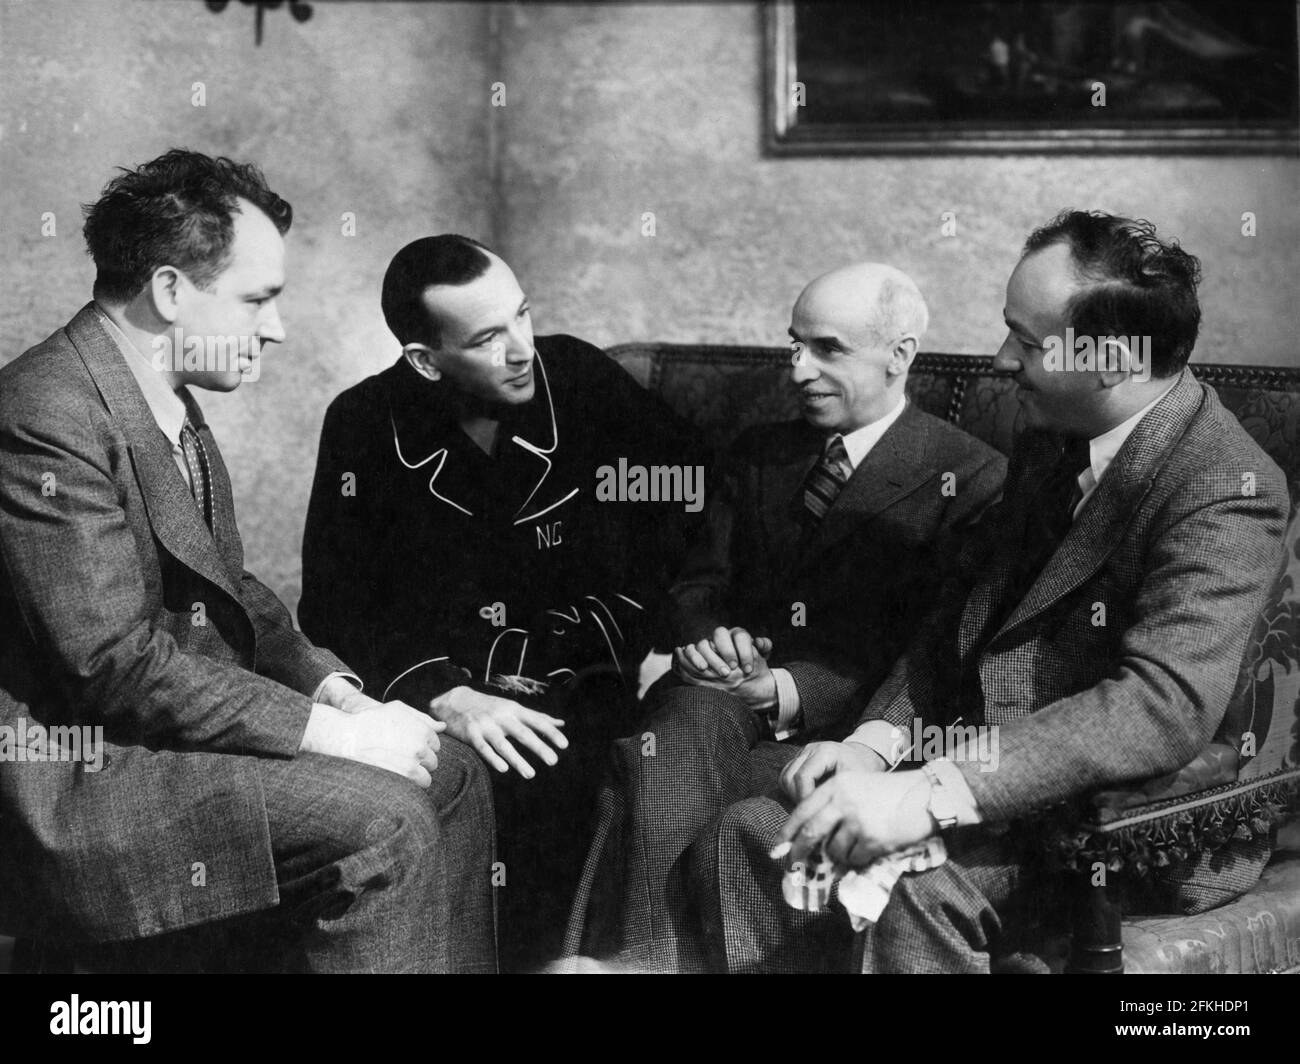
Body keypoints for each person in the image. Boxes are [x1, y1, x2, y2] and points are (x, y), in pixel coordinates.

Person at [700, 210, 1290, 973]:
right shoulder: (1051, 438)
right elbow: (960, 616)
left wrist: (932, 792)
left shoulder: (1224, 487)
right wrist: (872, 745)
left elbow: (1161, 708)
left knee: (916, 886)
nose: (1001, 359)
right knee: (752, 829)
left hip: (1126, 818)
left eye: (1028, 341)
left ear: (1109, 360)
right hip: (994, 774)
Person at [0, 150, 494, 974]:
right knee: (386, 820)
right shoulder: (43, 414)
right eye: (259, 299)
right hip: (80, 778)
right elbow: (112, 666)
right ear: (168, 292)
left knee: (457, 773)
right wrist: (333, 736)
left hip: (158, 740)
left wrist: (341, 693)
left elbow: (232, 593)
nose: (277, 328)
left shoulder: (165, 392)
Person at [569, 262, 1007, 972]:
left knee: (660, 779)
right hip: (718, 701)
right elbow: (695, 586)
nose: (799, 369)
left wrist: (784, 689)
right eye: (794, 346)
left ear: (900, 354)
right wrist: (714, 645)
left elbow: (933, 647)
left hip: (859, 726)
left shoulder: (972, 477)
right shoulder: (758, 454)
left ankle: (629, 963)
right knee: (672, 732)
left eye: (827, 349)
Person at [299, 234, 700, 969]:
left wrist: (647, 626)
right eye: (488, 338)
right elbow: (334, 607)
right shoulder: (362, 422)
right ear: (426, 360)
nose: (522, 350)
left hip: (583, 676)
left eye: (523, 316)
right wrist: (444, 694)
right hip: (442, 687)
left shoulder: (578, 378)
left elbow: (693, 497)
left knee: (560, 776)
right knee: (423, 796)